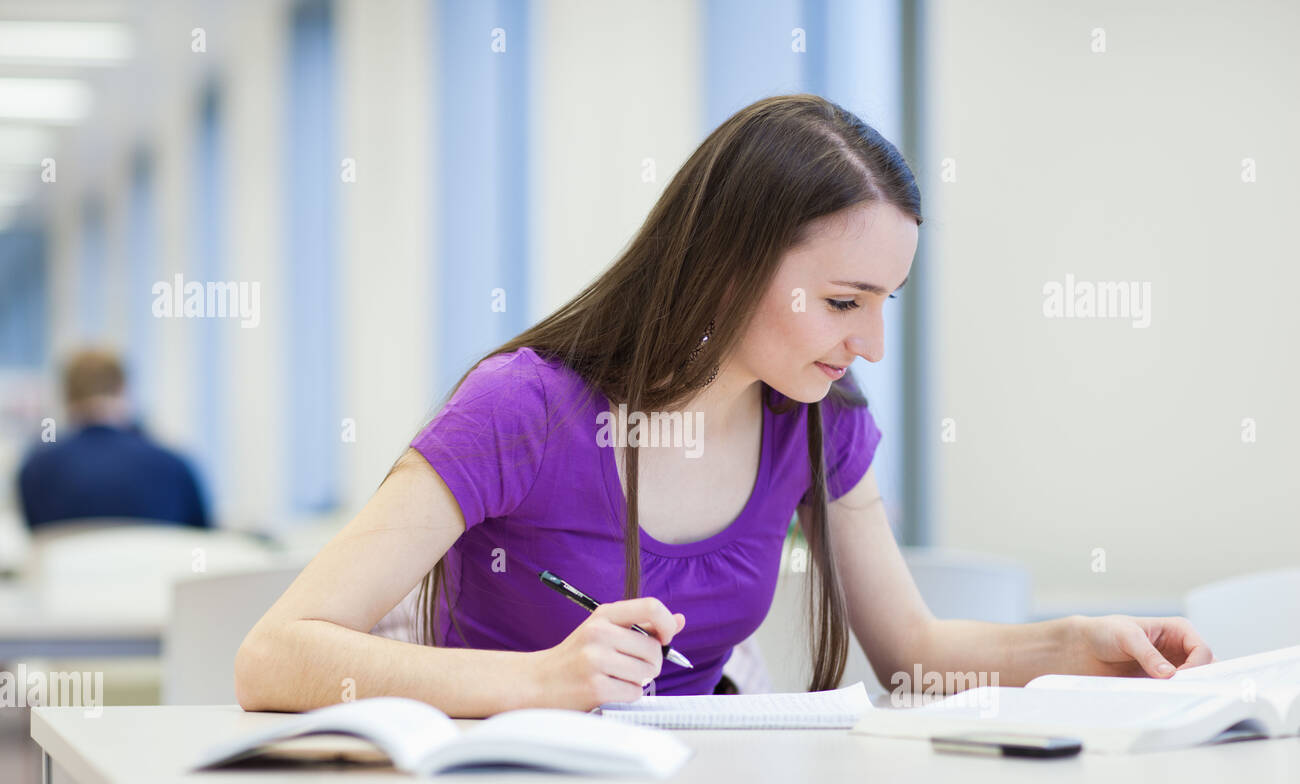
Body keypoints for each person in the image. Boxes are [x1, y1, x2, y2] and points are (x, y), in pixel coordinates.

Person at [235, 93, 1213, 718]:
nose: (868, 344)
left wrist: (1068, 647)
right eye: (841, 303)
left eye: (884, 305)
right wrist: (534, 681)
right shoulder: (520, 407)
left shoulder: (820, 420)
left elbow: (910, 652)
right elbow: (275, 656)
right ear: (728, 264)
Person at [17, 348, 210, 530]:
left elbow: (38, 537)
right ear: (122, 389)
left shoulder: (36, 470)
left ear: (66, 394)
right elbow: (199, 540)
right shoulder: (174, 466)